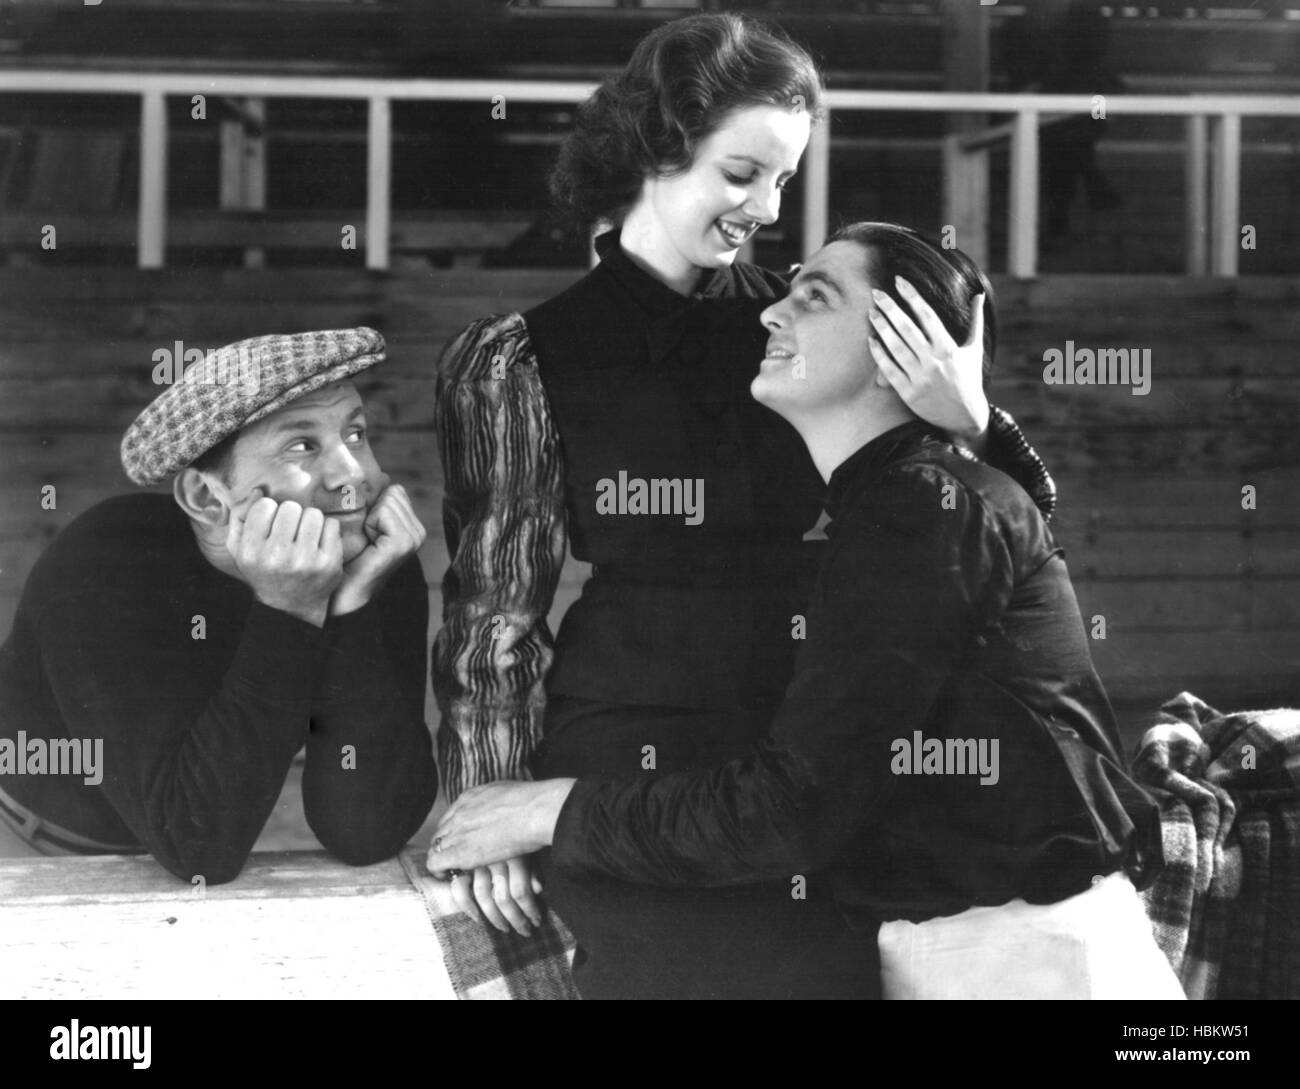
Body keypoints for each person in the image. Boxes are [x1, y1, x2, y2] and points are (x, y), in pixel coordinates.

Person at [431, 13, 1054, 999]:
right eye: (740, 174)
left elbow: (1000, 537)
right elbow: (492, 619)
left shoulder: (811, 322)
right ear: (656, 147)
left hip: (810, 759)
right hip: (636, 749)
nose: (765, 207)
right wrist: (495, 805)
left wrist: (977, 418)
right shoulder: (517, 360)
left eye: (782, 180)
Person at [428, 223, 1184, 1000]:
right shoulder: (899, 503)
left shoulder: (920, 507)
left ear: (902, 346)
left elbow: (795, 811)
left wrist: (554, 808)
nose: (769, 313)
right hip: (979, 945)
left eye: (814, 296)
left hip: (1029, 964)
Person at [0, 328, 438, 884]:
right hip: (37, 850)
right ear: (207, 498)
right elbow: (195, 843)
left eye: (355, 434)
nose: (354, 475)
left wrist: (352, 606)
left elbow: (368, 829)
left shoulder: (369, 560)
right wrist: (288, 610)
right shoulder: (106, 563)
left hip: (204, 848)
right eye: (302, 446)